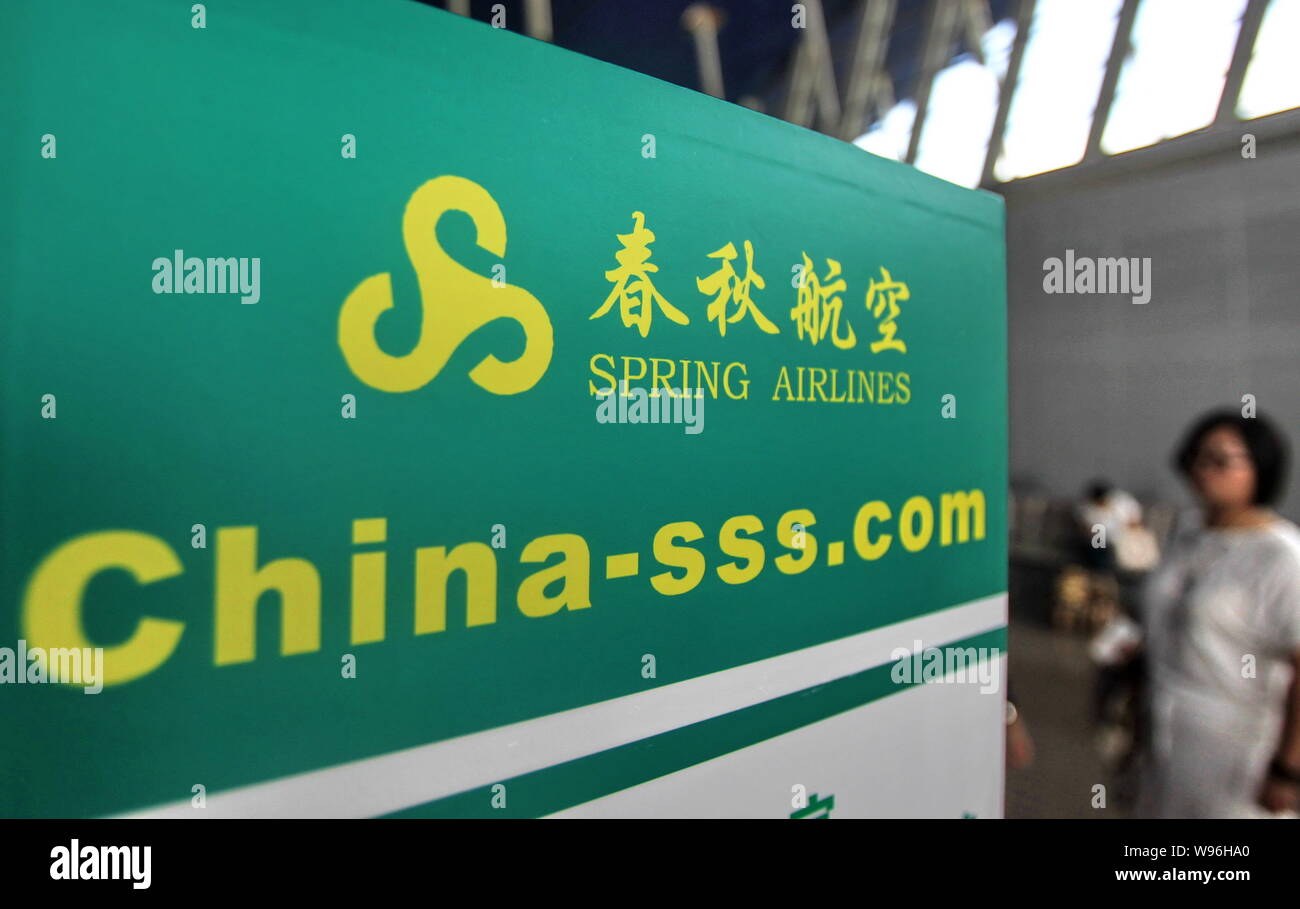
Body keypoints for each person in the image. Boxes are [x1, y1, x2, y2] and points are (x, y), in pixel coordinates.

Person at [1134, 410, 1300, 818]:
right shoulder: (1188, 534)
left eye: (1222, 461)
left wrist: (1287, 769)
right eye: (1198, 458)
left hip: (1237, 748)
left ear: (1261, 467)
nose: (1204, 470)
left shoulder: (1280, 556)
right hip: (1165, 734)